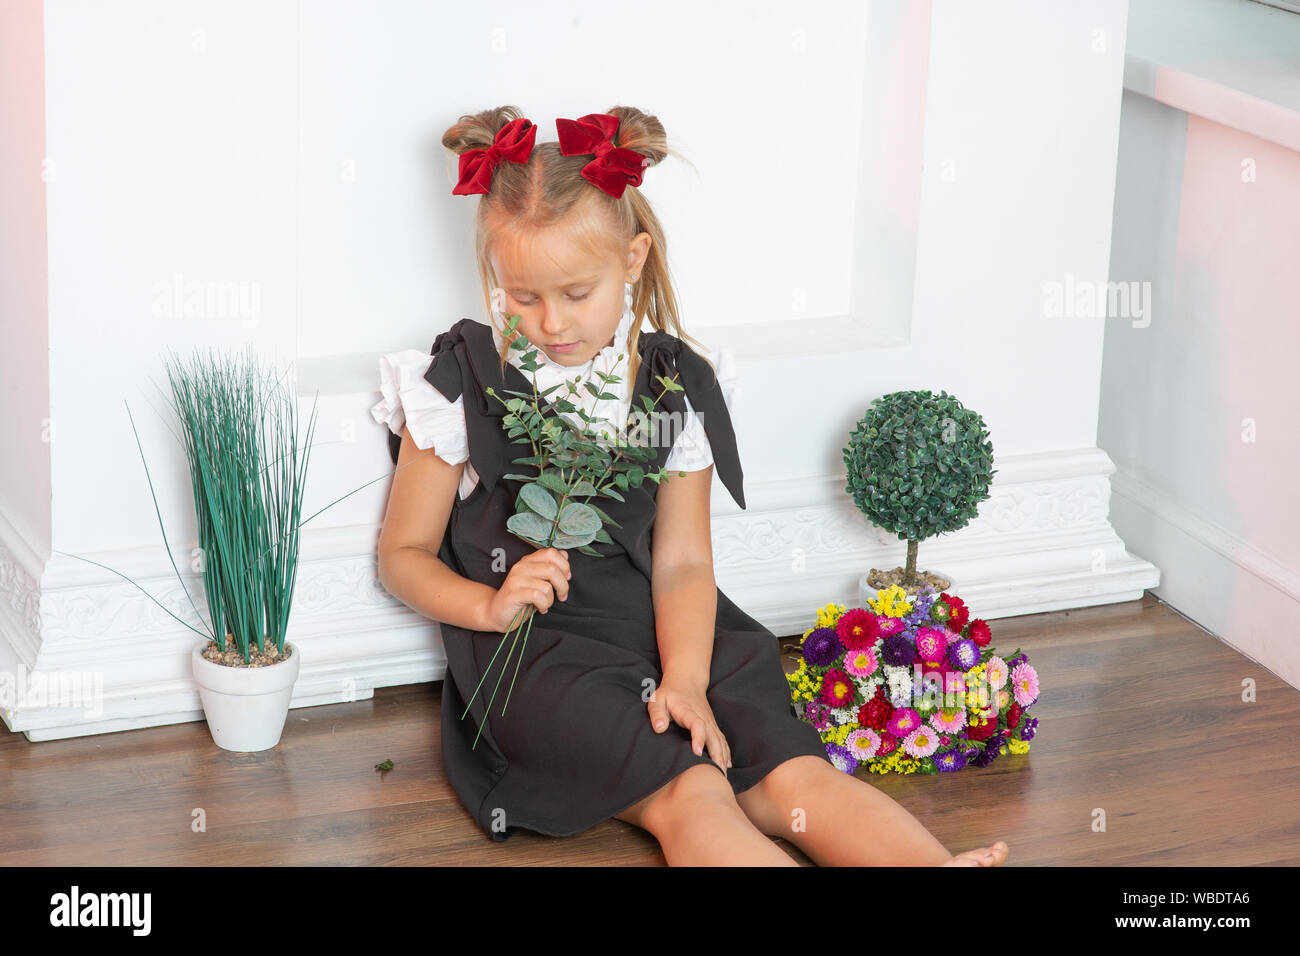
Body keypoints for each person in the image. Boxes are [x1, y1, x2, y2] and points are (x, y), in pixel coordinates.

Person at [372, 104, 1009, 867]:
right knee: (692, 789)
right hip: (540, 655)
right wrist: (489, 603)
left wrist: (686, 678)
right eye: (523, 295)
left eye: (576, 293)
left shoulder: (677, 384)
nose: (549, 321)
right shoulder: (460, 382)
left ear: (633, 259)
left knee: (788, 773)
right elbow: (402, 555)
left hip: (676, 628)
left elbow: (681, 564)